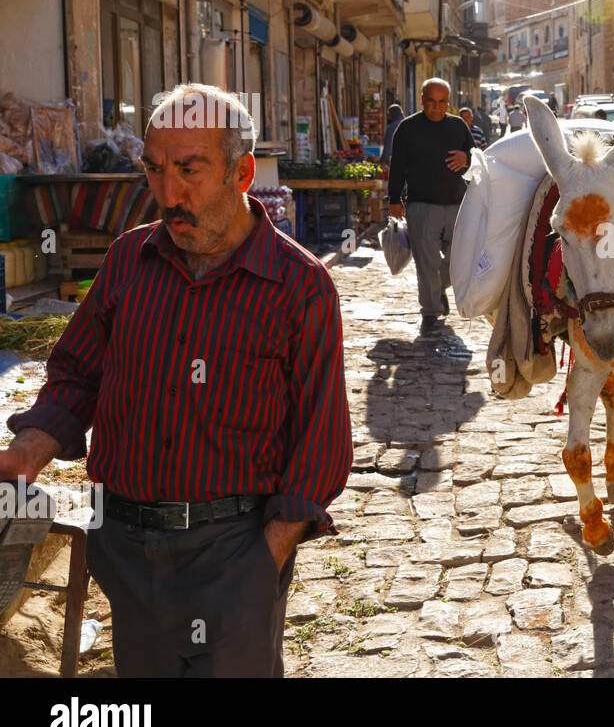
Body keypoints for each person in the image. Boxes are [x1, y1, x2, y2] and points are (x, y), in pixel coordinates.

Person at [0, 83, 351, 677]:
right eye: (155, 170)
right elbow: (77, 373)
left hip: (233, 549)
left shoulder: (298, 284)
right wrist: (28, 451)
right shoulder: (127, 260)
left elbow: (322, 440)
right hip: (126, 549)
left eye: (189, 169)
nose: (168, 193)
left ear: (241, 173)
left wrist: (266, 557)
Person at [387, 78, 474, 336]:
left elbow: (478, 157)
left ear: (449, 103)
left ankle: (438, 290)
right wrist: (393, 199)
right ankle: (430, 312)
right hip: (421, 206)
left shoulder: (458, 126)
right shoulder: (407, 128)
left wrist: (466, 157)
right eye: (432, 102)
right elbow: (398, 165)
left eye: (443, 102)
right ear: (422, 100)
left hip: (457, 204)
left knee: (458, 259)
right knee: (426, 263)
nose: (437, 107)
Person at [379, 102, 404, 169]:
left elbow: (388, 147)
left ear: (392, 115)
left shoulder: (392, 127)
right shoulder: (408, 123)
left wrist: (383, 161)